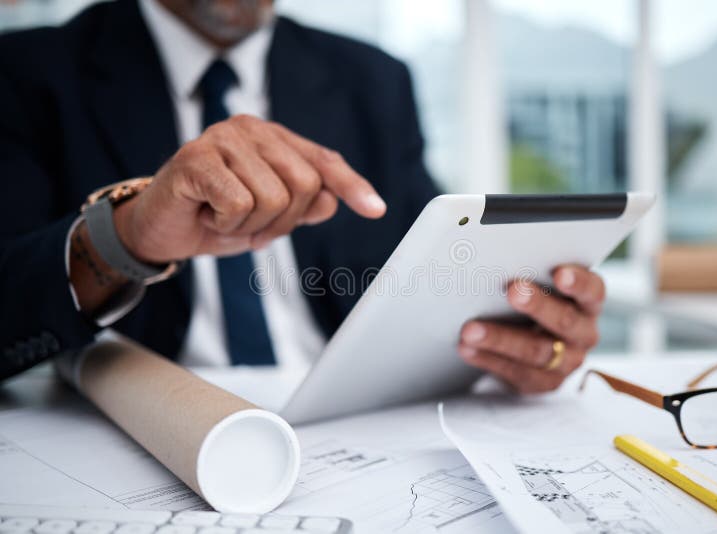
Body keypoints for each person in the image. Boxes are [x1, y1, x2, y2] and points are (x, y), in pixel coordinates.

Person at [0, 0, 605, 394]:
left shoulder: (373, 79)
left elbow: (433, 266)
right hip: (134, 428)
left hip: (353, 418)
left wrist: (519, 327)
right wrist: (126, 238)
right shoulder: (29, 73)